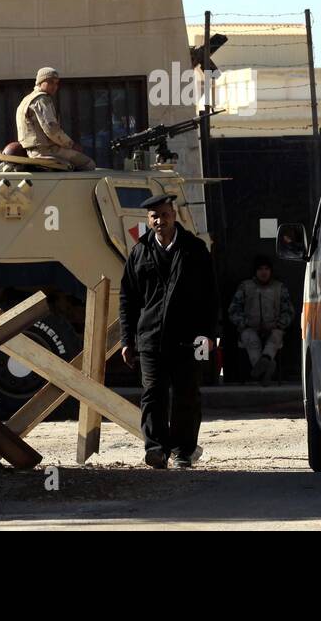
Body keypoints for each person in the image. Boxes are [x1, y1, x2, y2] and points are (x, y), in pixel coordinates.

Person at [118, 193, 218, 469]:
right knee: (153, 394)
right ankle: (156, 449)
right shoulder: (139, 253)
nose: (159, 220)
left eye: (164, 214)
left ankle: (183, 451)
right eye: (154, 216)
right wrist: (127, 340)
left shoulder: (195, 250)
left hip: (190, 338)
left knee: (187, 394)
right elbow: (128, 299)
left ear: (174, 216)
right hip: (150, 338)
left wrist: (209, 335)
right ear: (148, 221)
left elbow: (210, 296)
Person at [228, 256, 294, 384]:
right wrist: (244, 323)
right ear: (255, 271)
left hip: (274, 327)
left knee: (276, 337)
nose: (263, 272)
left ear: (271, 271)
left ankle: (264, 363)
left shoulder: (279, 287)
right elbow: (233, 310)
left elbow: (289, 312)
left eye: (266, 269)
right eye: (260, 269)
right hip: (250, 327)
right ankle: (265, 372)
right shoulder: (245, 287)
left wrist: (280, 324)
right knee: (250, 339)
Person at [15, 67, 95, 171]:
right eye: (51, 82)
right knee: (88, 164)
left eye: (56, 83)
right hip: (46, 151)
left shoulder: (26, 99)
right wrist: (71, 144)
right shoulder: (42, 99)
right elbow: (51, 129)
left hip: (32, 151)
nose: (55, 86)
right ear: (40, 82)